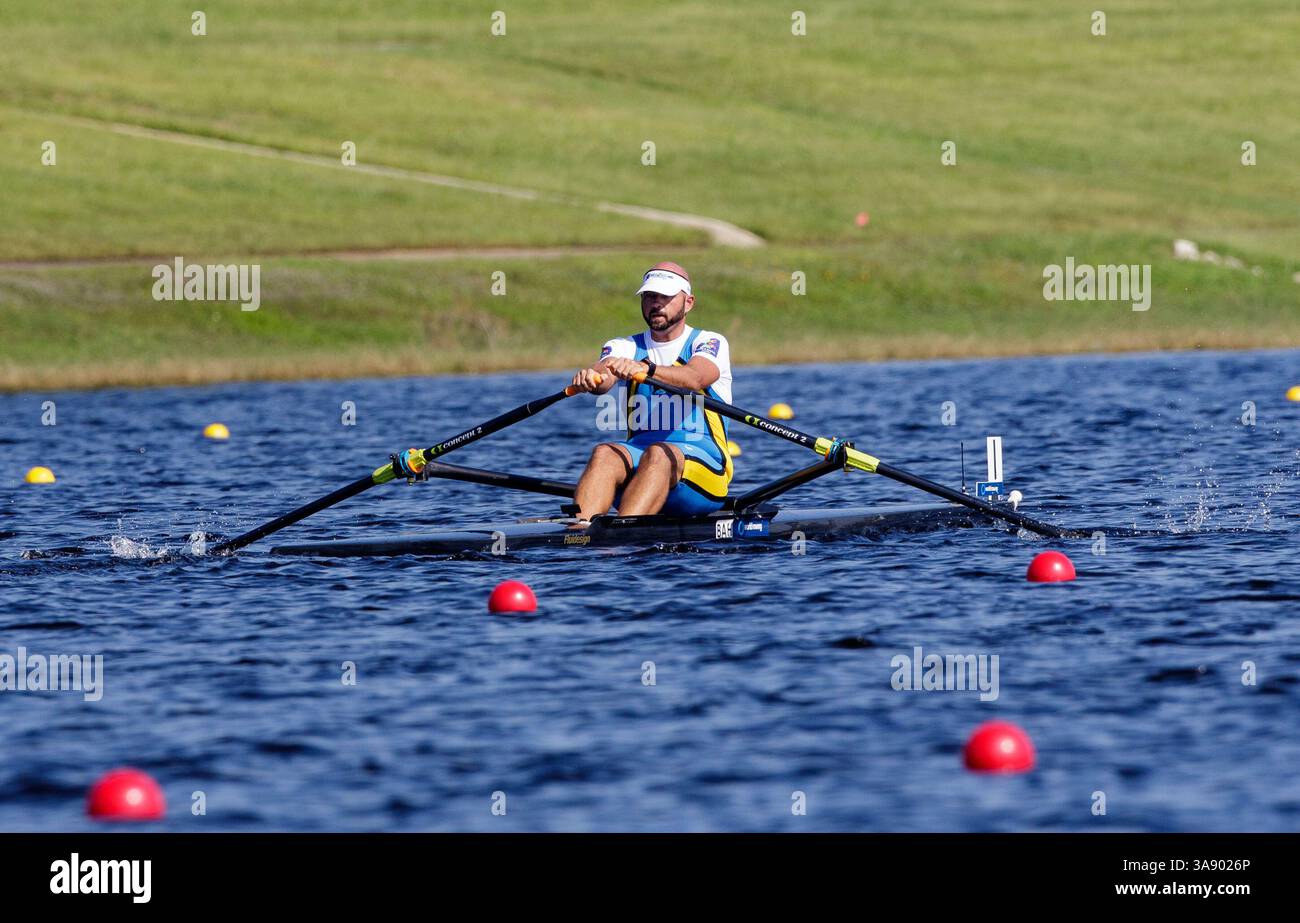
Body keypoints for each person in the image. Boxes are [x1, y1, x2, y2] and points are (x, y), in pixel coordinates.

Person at [568, 262, 733, 521]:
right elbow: (604, 379)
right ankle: (579, 535)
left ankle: (623, 533)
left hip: (703, 469)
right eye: (649, 296)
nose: (656, 303)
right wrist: (591, 377)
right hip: (641, 459)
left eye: (665, 296)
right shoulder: (624, 346)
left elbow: (694, 378)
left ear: (689, 302)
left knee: (658, 453)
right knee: (605, 453)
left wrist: (646, 369)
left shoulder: (709, 342)